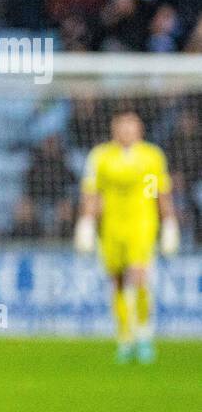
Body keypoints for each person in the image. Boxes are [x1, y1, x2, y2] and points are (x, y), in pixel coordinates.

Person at [75, 110, 179, 363]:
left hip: (141, 224)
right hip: (111, 227)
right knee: (118, 282)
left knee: (140, 277)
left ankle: (143, 334)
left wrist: (169, 223)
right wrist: (87, 222)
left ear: (140, 131)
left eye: (132, 128)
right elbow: (92, 192)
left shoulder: (151, 157)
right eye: (122, 128)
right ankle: (125, 336)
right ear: (114, 130)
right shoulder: (101, 156)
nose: (127, 133)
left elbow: (159, 192)